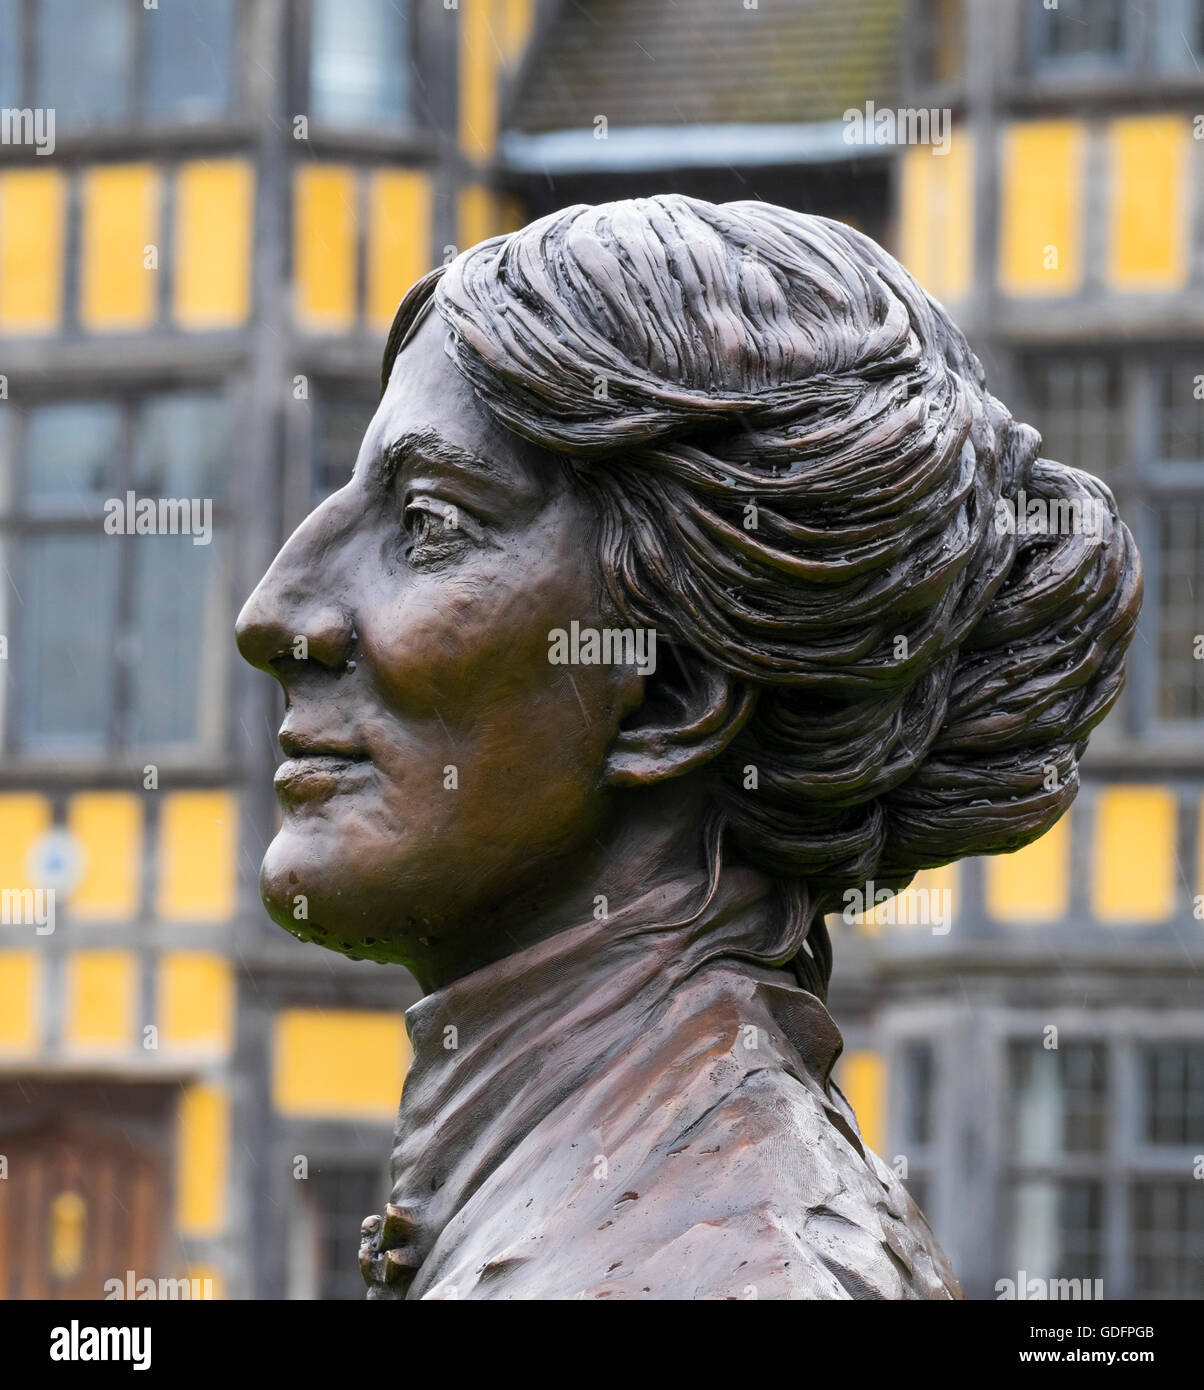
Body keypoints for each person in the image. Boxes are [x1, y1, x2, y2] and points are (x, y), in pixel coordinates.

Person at [235, 196, 1141, 1299]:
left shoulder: (730, 1268)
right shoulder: (602, 1190)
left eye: (428, 522)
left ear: (670, 687)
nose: (275, 613)